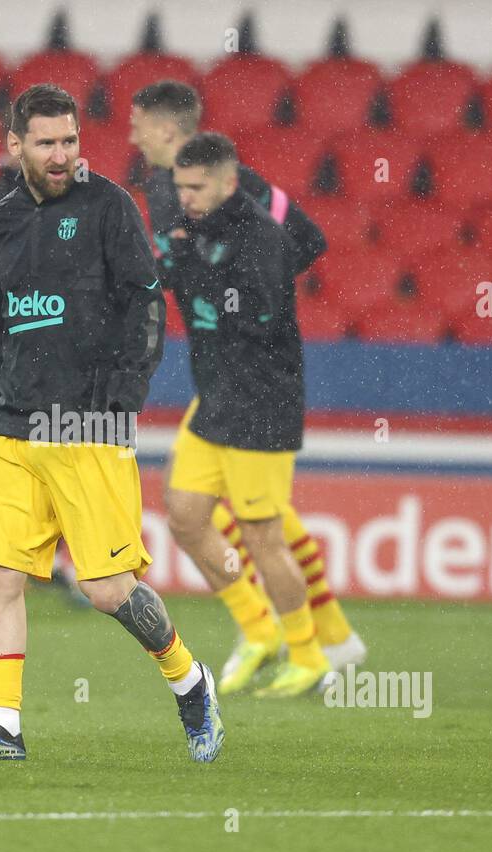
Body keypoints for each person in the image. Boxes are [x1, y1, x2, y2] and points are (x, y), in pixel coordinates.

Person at [0, 84, 224, 763]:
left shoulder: (109, 208)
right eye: (46, 143)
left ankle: (188, 677)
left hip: (86, 426)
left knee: (105, 590)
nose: (61, 154)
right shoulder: (1, 221)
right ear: (16, 147)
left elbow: (146, 301)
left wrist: (125, 390)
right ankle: (2, 726)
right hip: (13, 425)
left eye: (69, 140)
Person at [130, 79, 367, 693]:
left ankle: (318, 645)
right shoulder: (169, 193)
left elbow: (306, 241)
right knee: (185, 514)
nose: (130, 136)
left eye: (137, 125)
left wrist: (238, 282)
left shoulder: (241, 200)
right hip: (215, 385)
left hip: (258, 390)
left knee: (266, 526)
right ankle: (270, 631)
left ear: (164, 131)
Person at [158, 132, 336, 698]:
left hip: (263, 405)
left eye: (197, 186)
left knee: (262, 535)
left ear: (228, 182)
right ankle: (258, 628)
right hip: (215, 400)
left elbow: (254, 313)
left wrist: (188, 270)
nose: (185, 197)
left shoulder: (258, 234)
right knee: (185, 517)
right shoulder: (198, 232)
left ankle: (307, 654)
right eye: (180, 186)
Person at [0, 138, 86, 611]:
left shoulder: (74, 206)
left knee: (59, 457)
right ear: (10, 146)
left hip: (60, 356)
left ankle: (56, 560)